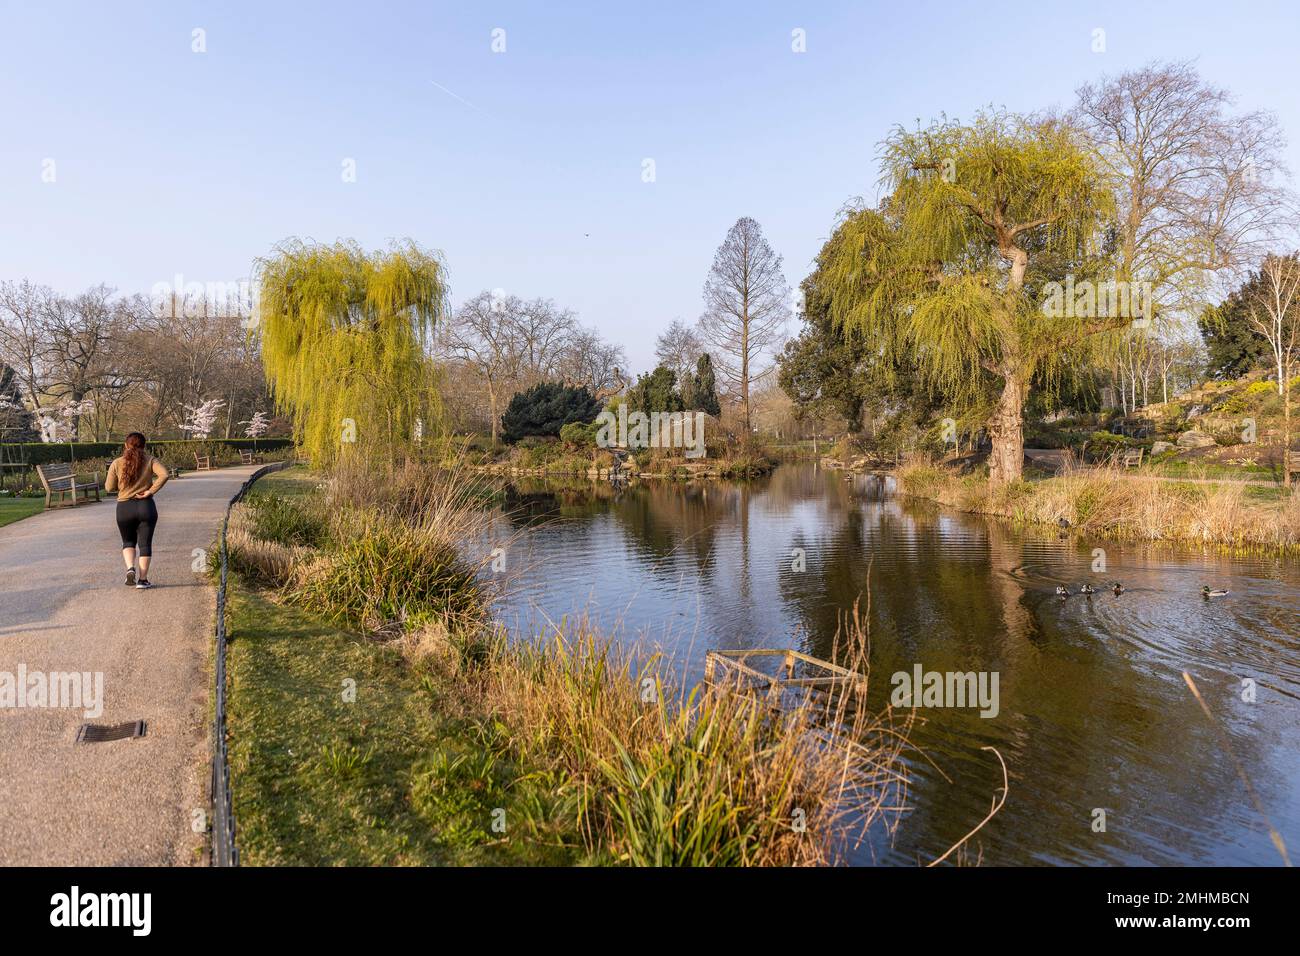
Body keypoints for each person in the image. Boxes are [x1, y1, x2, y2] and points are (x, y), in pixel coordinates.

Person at [104, 432, 170, 589]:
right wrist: (150, 491)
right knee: (145, 545)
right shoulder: (150, 460)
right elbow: (164, 474)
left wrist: (123, 486)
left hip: (124, 508)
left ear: (126, 445)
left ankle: (130, 568)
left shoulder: (117, 462)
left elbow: (109, 487)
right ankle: (143, 580)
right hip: (146, 506)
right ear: (144, 446)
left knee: (128, 542)